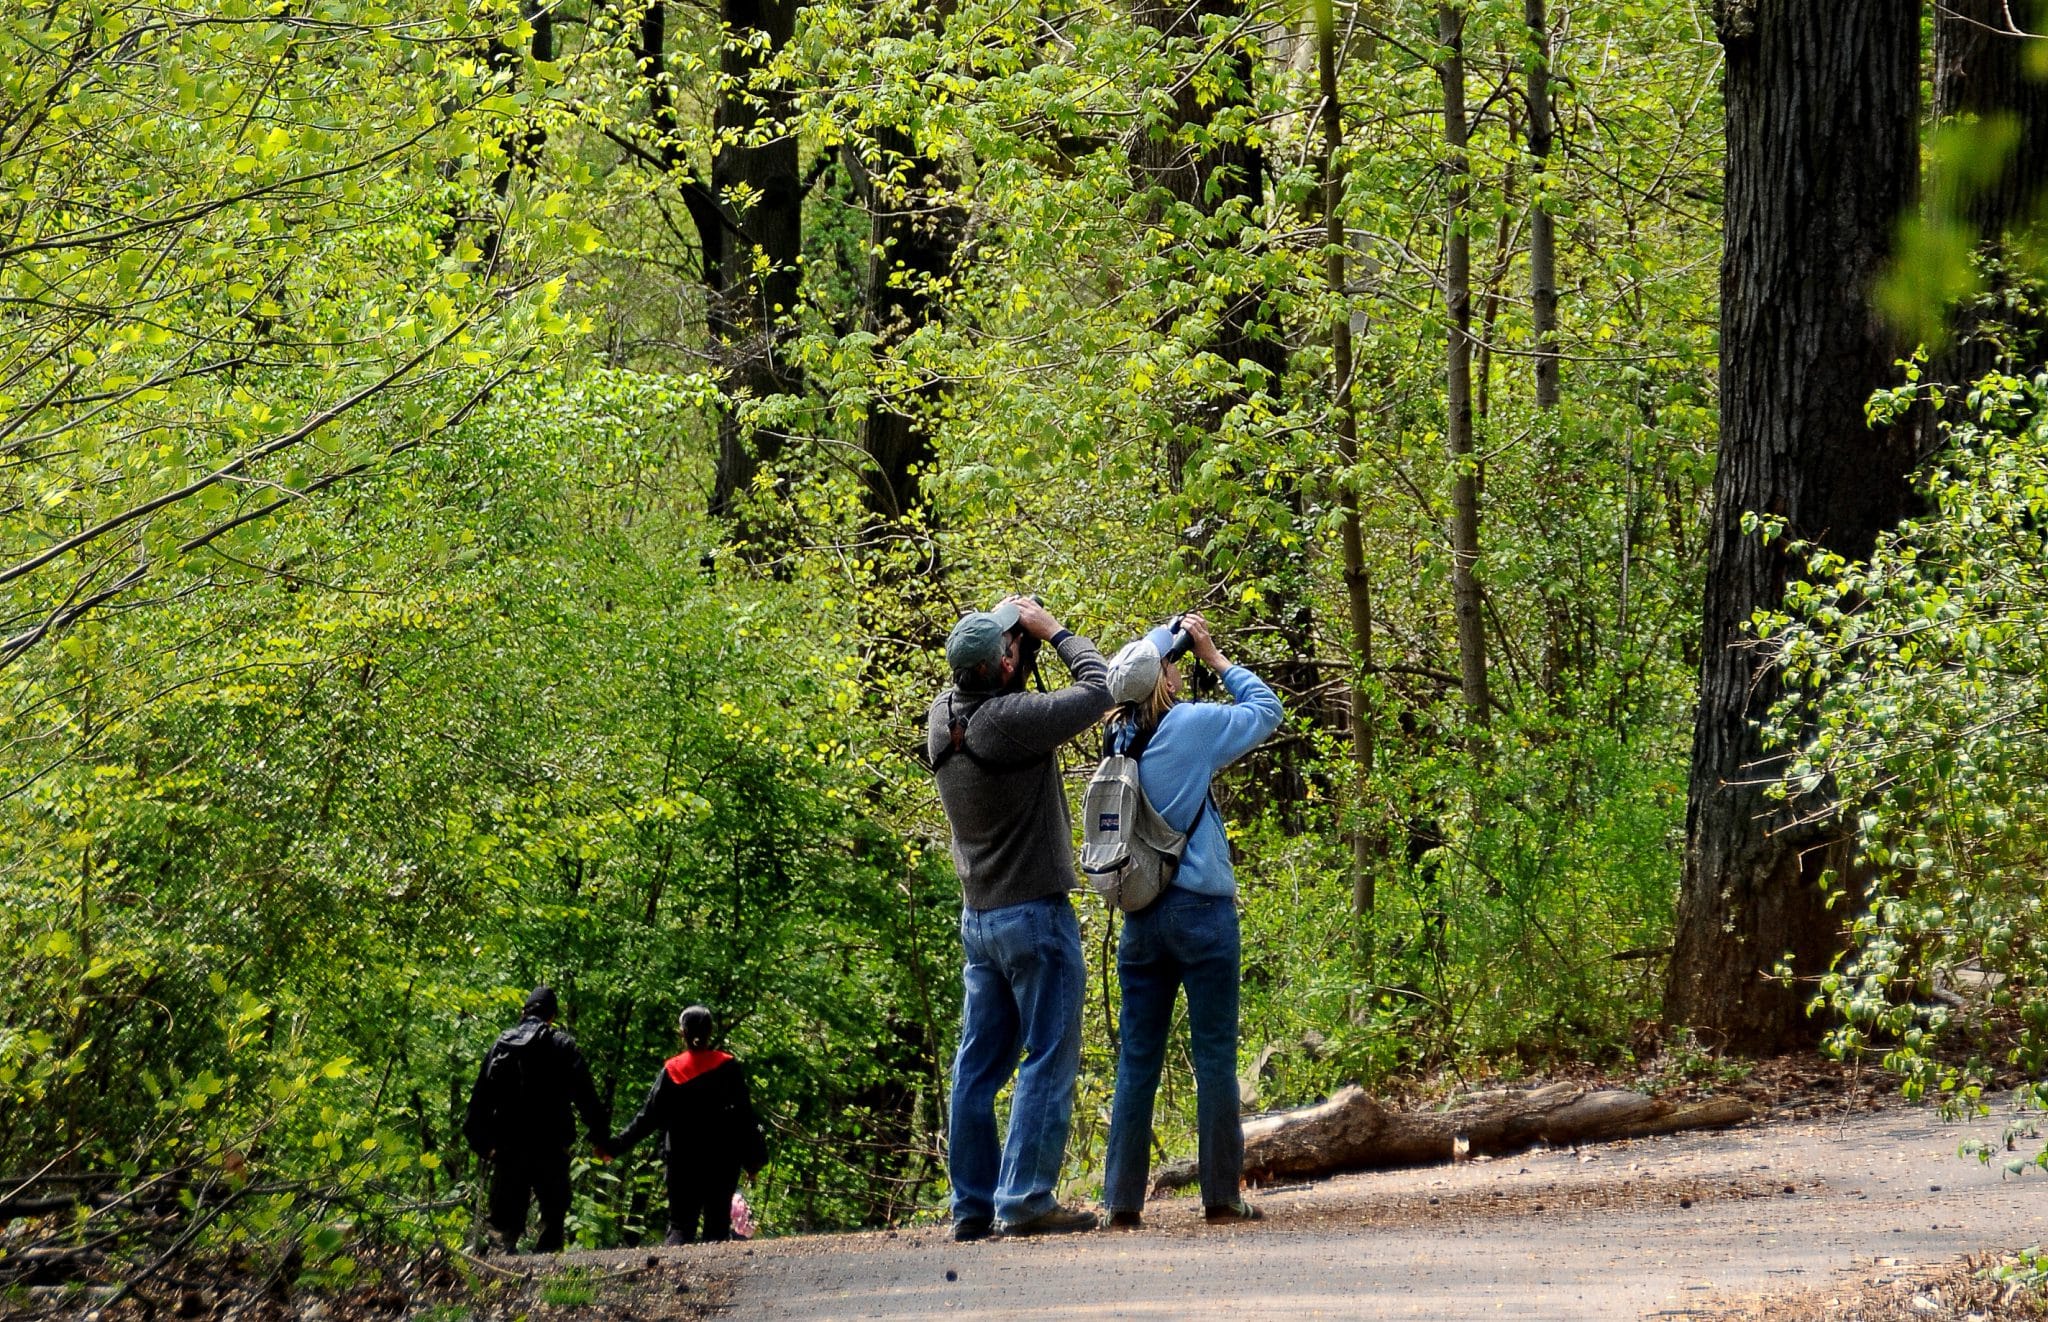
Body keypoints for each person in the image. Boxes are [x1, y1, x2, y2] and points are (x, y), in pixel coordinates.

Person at [927, 595, 1109, 1240]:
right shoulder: (1007, 722)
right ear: (1003, 668)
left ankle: (971, 1207)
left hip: (979, 919)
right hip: (1033, 916)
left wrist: (1012, 641)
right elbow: (1100, 688)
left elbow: (1005, 696)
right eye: (1011, 652)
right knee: (1049, 1055)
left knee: (976, 1066)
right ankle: (1026, 1199)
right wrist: (1051, 629)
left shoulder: (942, 715)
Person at [1098, 613, 1283, 1228]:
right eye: (1172, 663)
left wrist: (1170, 644)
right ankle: (1221, 1198)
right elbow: (1266, 709)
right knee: (1213, 1056)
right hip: (1202, 913)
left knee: (1138, 1061)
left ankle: (1120, 1203)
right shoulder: (1192, 726)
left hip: (1141, 918)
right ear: (1167, 679)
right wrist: (1215, 655)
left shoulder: (1115, 741)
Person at [462, 985, 610, 1253]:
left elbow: (479, 1102)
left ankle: (499, 1281)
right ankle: (549, 1283)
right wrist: (601, 1138)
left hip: (508, 1147)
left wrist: (484, 1145)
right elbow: (587, 1098)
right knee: (552, 1224)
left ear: (523, 1012)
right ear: (552, 1016)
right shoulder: (563, 1045)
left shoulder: (502, 1045)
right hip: (551, 1146)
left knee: (503, 1228)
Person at [608, 1005, 769, 1245]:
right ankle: (716, 1278)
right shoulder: (728, 1067)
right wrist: (753, 1160)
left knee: (680, 1225)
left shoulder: (672, 1071)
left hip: (683, 1162)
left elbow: (647, 1117)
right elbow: (745, 1118)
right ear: (710, 1032)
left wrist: (614, 1147)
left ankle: (673, 1275)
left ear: (682, 1033)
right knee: (716, 1227)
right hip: (722, 1161)